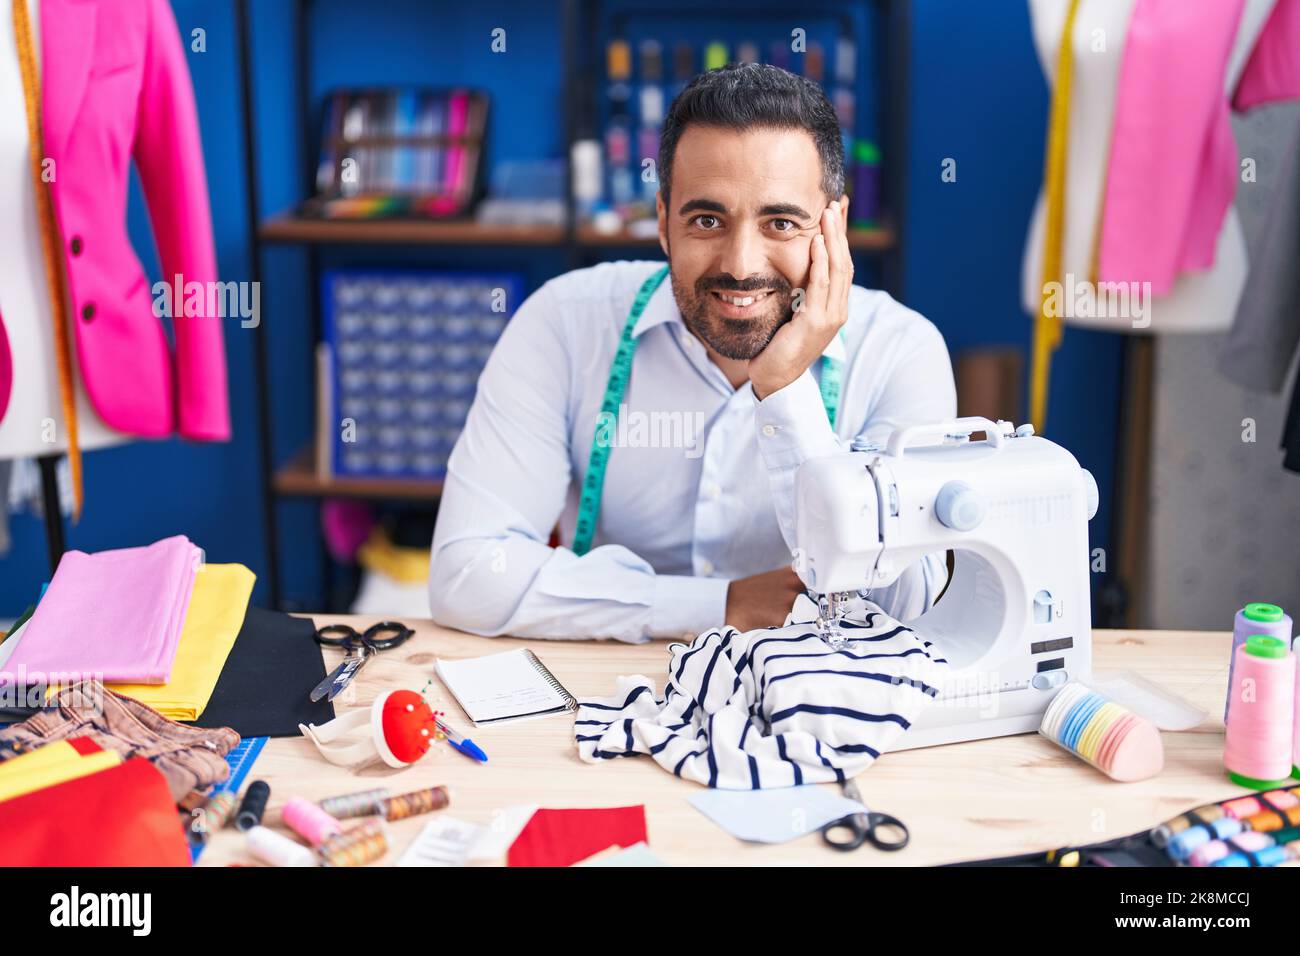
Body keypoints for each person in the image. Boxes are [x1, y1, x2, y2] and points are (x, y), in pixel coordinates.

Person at [429, 62, 955, 642]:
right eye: (708, 219)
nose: (740, 264)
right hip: (611, 688)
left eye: (780, 222)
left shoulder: (900, 351)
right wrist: (719, 605)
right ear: (662, 223)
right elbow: (468, 573)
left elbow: (909, 601)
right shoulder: (566, 323)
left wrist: (784, 391)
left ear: (834, 227)